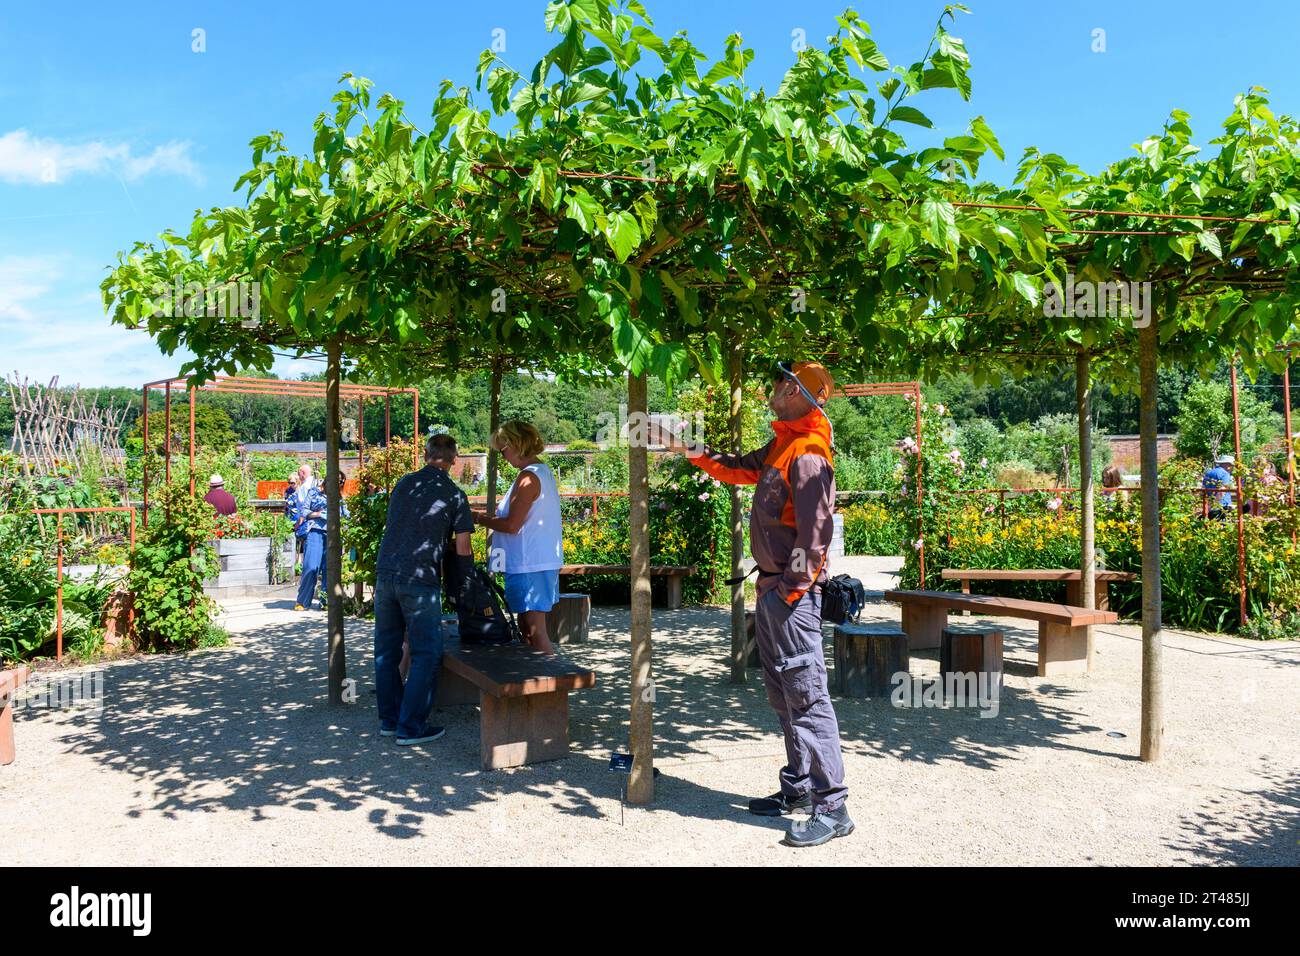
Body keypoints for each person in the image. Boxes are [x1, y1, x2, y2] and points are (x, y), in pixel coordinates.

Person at [658, 360, 852, 849]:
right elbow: (739, 468)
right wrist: (690, 448)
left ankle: (833, 807)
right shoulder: (784, 443)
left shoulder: (807, 453)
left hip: (790, 597)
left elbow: (817, 534)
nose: (771, 387)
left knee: (806, 696)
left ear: (795, 391)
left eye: (779, 382)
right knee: (784, 695)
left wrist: (789, 590)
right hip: (775, 592)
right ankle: (800, 789)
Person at [373, 433, 475, 745]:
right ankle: (411, 727)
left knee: (386, 652)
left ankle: (389, 720)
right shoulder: (455, 495)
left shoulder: (404, 484)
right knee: (427, 652)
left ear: (426, 455)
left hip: (385, 572)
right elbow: (463, 548)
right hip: (419, 578)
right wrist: (466, 583)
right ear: (454, 459)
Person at [471, 420, 563, 654]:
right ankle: (540, 682)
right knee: (528, 629)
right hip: (532, 562)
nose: (502, 457)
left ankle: (552, 682)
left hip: (530, 563)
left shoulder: (527, 478)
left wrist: (479, 518)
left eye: (503, 450)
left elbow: (512, 525)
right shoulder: (539, 472)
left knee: (534, 631)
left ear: (516, 444)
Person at [1203, 454, 1236, 520]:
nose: (1232, 467)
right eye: (1232, 465)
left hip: (1209, 504)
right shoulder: (1225, 474)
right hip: (1221, 506)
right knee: (1222, 526)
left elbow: (1203, 488)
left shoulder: (1209, 473)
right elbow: (1222, 491)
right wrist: (1215, 504)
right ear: (1227, 464)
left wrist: (1209, 505)